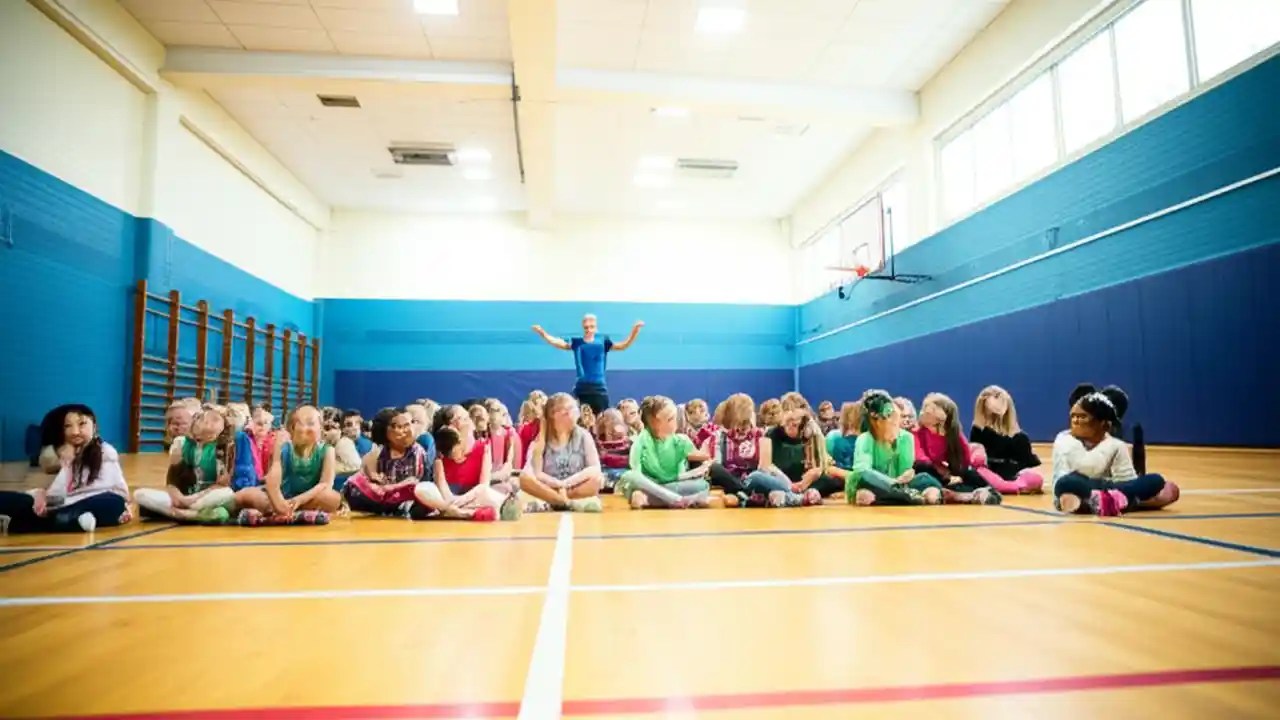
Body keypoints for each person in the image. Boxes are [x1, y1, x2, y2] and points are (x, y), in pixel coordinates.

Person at [0, 404, 131, 534]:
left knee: (113, 502)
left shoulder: (106, 452)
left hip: (94, 503)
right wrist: (42, 496)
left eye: (82, 424)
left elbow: (113, 490)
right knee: (23, 501)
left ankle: (20, 524)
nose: (75, 431)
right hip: (62, 508)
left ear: (94, 427)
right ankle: (68, 521)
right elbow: (56, 494)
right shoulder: (65, 455)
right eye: (68, 426)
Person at [1052, 387, 1179, 516]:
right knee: (1066, 482)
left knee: (1157, 480)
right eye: (1073, 416)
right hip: (1078, 486)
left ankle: (1105, 501)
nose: (1075, 421)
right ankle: (1120, 501)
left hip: (1110, 489)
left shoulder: (1116, 444)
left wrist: (1124, 488)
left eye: (1082, 416)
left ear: (1102, 423)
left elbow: (1128, 479)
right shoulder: (1064, 439)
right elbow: (1088, 467)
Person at [531, 314, 644, 414]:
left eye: (592, 327)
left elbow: (623, 345)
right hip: (582, 388)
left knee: (602, 417)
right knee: (578, 416)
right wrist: (543, 334)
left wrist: (635, 331)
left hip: (599, 388)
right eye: (586, 327)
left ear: (596, 327)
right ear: (583, 327)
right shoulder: (577, 343)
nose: (589, 329)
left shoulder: (602, 341)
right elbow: (560, 343)